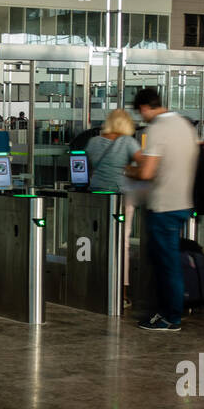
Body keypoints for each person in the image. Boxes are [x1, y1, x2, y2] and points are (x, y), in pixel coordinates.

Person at [129, 88, 197, 332]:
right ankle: (166, 311)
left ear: (145, 107)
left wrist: (129, 170)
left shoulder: (157, 128)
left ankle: (170, 317)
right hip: (183, 203)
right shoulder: (184, 124)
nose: (141, 117)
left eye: (140, 111)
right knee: (167, 261)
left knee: (166, 264)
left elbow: (147, 172)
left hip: (163, 205)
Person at [87, 108, 141, 306]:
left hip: (96, 195)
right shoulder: (128, 142)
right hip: (121, 196)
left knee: (97, 241)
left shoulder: (93, 142)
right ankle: (122, 292)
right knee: (122, 242)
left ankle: (95, 287)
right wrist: (127, 169)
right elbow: (144, 167)